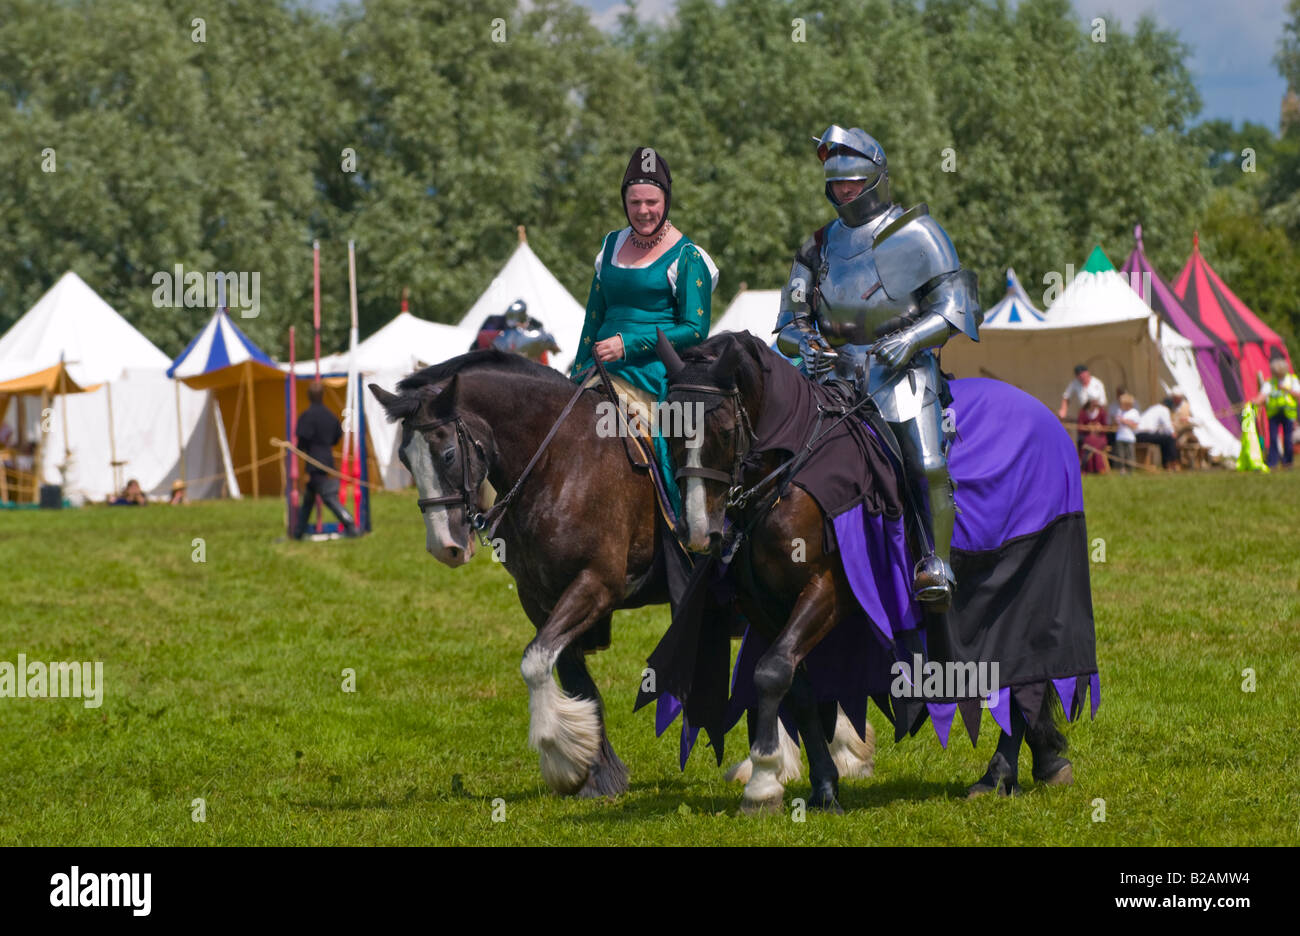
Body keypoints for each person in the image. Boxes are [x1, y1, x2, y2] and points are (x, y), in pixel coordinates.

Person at [774, 125, 981, 609]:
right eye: (836, 184)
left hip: (901, 374)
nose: (843, 191)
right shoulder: (818, 246)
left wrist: (910, 338)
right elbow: (789, 320)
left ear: (875, 178)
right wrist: (804, 344)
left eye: (852, 182)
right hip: (830, 375)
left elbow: (958, 307)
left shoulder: (919, 234)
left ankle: (936, 563)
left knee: (925, 463)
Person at [569, 145, 718, 517]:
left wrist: (628, 345)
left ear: (666, 200)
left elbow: (695, 329)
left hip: (656, 372)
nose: (643, 211)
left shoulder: (689, 257)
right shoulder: (610, 246)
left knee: (668, 444)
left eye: (652, 201)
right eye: (634, 202)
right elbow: (593, 319)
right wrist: (577, 370)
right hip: (599, 367)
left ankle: (681, 528)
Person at [294, 381, 359, 538]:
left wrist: (300, 449)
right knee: (309, 498)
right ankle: (298, 532)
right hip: (327, 459)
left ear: (309, 396)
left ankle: (350, 525)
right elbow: (337, 435)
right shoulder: (330, 415)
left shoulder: (307, 416)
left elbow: (302, 439)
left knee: (328, 497)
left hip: (314, 463)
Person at [1256, 353, 1299, 468]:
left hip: (1288, 414)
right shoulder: (1270, 382)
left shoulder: (1292, 380)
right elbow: (1262, 395)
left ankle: (1288, 461)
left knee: (1288, 438)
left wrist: (1287, 389)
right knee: (1273, 438)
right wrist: (1254, 401)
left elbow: (1298, 395)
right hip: (1274, 414)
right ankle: (1273, 461)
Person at [1136, 397, 1179, 469]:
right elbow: (1167, 425)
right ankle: (1172, 463)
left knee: (1164, 439)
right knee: (1170, 439)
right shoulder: (1164, 410)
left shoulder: (1153, 408)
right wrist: (1173, 433)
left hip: (1139, 434)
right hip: (1145, 433)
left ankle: (1166, 463)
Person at [1077, 399, 1109, 474]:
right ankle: (1087, 467)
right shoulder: (1083, 413)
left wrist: (1099, 428)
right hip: (1087, 436)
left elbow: (1106, 428)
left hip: (1100, 437)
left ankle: (1095, 468)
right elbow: (1080, 427)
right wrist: (1088, 427)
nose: (1095, 405)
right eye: (1093, 403)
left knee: (1091, 444)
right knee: (1087, 443)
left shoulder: (1102, 413)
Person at [1113, 391, 1140, 474]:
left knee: (1129, 454)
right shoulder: (1119, 411)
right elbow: (1115, 424)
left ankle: (1130, 469)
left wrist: (1125, 421)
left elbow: (1135, 426)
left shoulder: (1134, 412)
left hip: (1129, 437)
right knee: (1120, 454)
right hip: (1120, 436)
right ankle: (1122, 469)